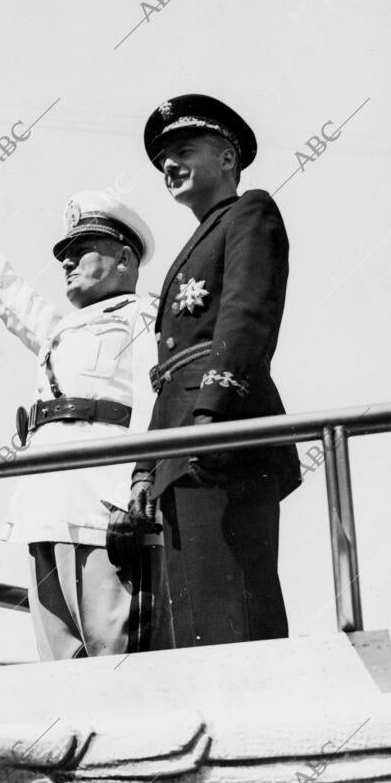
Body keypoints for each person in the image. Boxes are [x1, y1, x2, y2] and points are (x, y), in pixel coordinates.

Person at [0, 167, 174, 660]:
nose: (66, 260)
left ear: (125, 259)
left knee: (119, 657)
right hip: (45, 510)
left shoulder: (143, 315)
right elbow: (13, 300)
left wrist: (139, 483)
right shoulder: (60, 330)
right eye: (64, 253)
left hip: (104, 507)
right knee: (60, 670)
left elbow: (155, 400)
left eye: (81, 249)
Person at [129, 94, 301, 648]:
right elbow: (169, 369)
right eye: (162, 161)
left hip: (223, 432)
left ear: (227, 158)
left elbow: (248, 317)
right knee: (196, 609)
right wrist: (144, 466)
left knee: (234, 603)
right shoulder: (197, 240)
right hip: (184, 438)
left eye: (182, 150)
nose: (169, 167)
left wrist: (213, 415)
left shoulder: (250, 210)